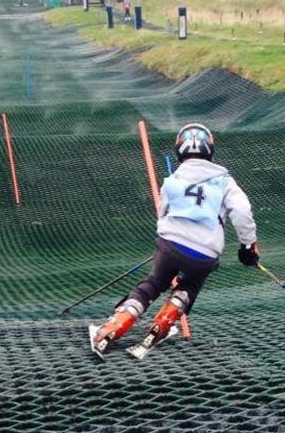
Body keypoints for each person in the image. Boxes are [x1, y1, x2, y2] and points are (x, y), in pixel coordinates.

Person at [92, 123, 259, 357]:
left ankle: (114, 326)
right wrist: (248, 246)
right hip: (205, 252)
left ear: (179, 149)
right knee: (191, 284)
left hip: (169, 244)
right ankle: (164, 322)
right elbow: (241, 210)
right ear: (209, 149)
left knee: (153, 284)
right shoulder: (224, 180)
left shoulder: (174, 178)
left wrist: (167, 242)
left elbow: (163, 213)